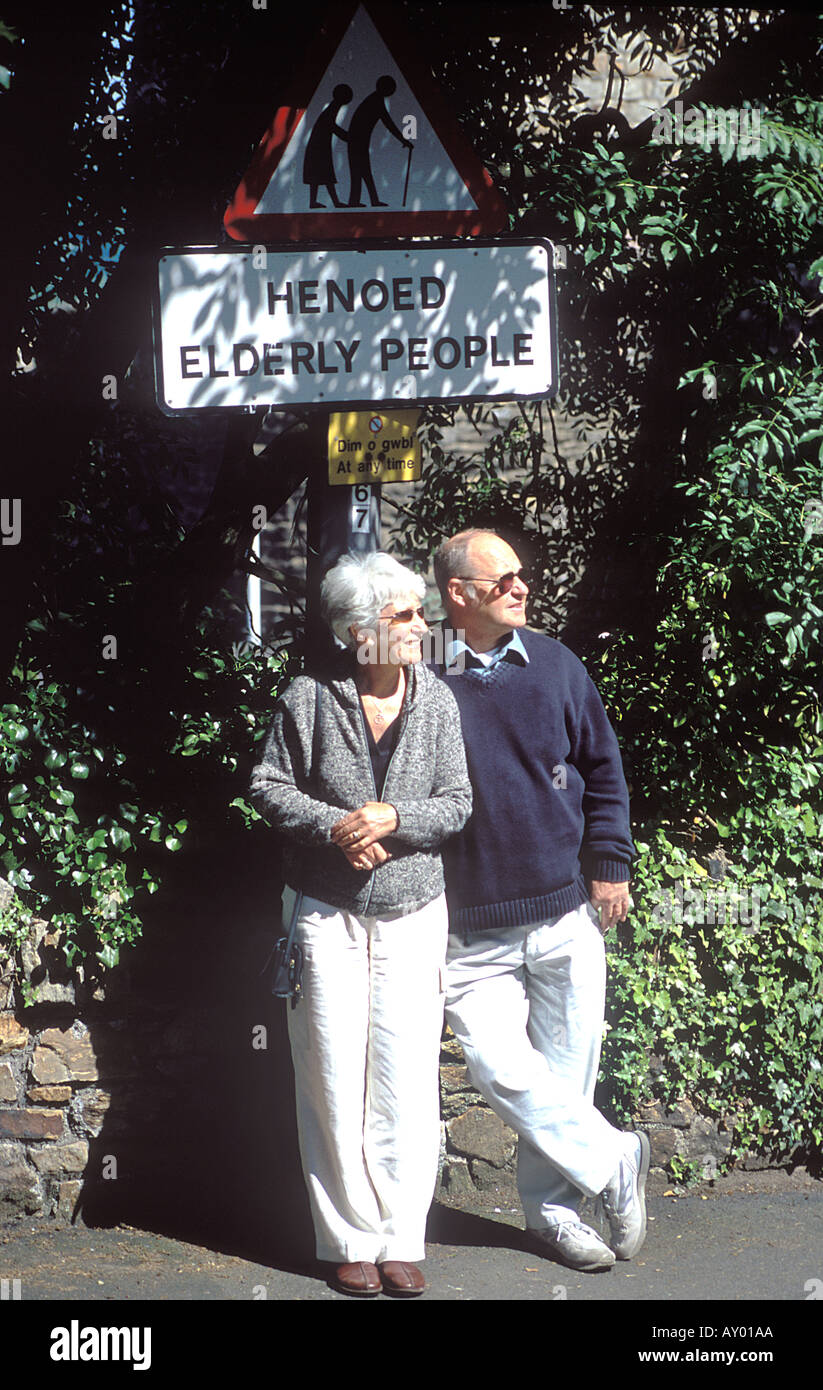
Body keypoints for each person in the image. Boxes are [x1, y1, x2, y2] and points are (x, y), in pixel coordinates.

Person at [250, 551, 472, 1298]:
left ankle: (400, 1238)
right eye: (402, 616)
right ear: (357, 632)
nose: (420, 626)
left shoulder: (436, 702)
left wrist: (395, 817)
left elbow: (457, 802)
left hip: (413, 907)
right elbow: (267, 785)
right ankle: (347, 1238)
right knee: (329, 1072)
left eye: (417, 613)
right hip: (325, 909)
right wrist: (336, 827)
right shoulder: (308, 700)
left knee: (406, 1076)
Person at [431, 528, 649, 1274]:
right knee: (503, 1071)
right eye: (504, 581)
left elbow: (603, 765)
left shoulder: (556, 664)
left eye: (523, 577)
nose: (522, 589)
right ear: (458, 594)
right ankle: (616, 1160)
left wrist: (610, 864)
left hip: (563, 913)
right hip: (468, 928)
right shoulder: (421, 677)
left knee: (566, 1077)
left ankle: (554, 1217)